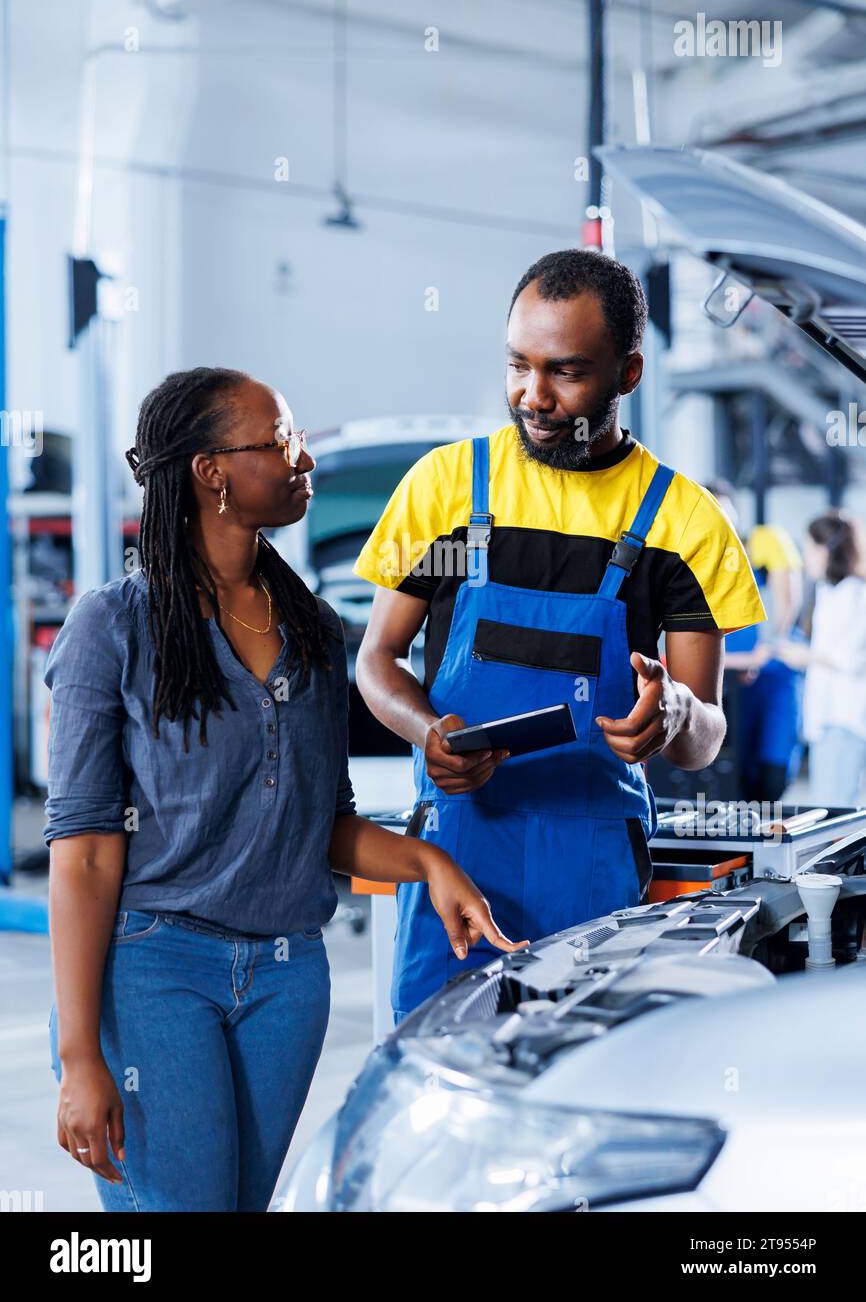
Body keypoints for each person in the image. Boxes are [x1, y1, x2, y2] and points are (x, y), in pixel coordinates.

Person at [45, 367, 526, 1213]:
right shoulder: (112, 626)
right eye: (280, 440)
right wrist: (82, 1055)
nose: (302, 458)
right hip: (152, 970)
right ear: (210, 471)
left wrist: (430, 864)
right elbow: (83, 852)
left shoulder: (308, 628)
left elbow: (324, 826)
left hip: (286, 978)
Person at [352, 250, 766, 1023]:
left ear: (629, 373)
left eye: (566, 373)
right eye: (518, 365)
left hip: (595, 869)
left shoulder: (683, 525)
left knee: (586, 1081)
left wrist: (675, 714)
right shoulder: (446, 492)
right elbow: (377, 660)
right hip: (456, 851)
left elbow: (706, 736)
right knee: (441, 1083)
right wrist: (425, 729)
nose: (533, 397)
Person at [705, 481, 805, 803]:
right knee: (735, 772)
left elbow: (789, 601)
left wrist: (765, 651)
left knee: (773, 771)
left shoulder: (766, 541)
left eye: (723, 506)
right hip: (730, 681)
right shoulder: (703, 558)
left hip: (773, 675)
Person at [772, 510, 866, 808]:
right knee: (829, 805)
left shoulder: (856, 594)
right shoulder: (829, 592)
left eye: (808, 549)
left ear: (825, 549)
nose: (805, 558)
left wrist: (806, 656)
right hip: (826, 718)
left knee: (835, 811)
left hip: (844, 716)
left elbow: (852, 658)